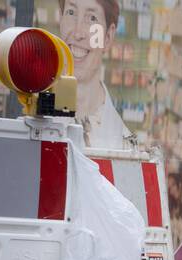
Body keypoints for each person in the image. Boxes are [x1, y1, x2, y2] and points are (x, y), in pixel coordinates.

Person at [58, 0, 132, 149]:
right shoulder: (31, 113)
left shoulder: (124, 147)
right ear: (60, 21)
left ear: (108, 37)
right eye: (71, 13)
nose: (78, 33)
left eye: (92, 18)